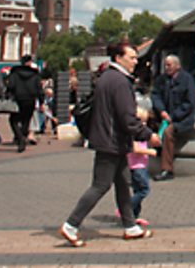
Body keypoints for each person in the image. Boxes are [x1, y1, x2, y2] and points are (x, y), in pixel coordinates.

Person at [61, 42, 158, 247]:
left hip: (110, 139)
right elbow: (127, 118)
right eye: (131, 57)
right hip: (111, 141)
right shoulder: (120, 82)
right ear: (118, 58)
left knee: (123, 183)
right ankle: (71, 224)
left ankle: (130, 226)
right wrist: (148, 135)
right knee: (100, 185)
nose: (135, 61)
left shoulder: (106, 78)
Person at [151, 55, 195, 181]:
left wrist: (173, 116)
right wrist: (161, 111)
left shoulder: (187, 79)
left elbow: (189, 103)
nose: (166, 68)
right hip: (163, 116)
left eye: (169, 65)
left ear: (178, 66)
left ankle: (167, 169)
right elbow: (155, 96)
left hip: (182, 119)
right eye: (165, 65)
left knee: (168, 132)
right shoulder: (161, 80)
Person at [121, 107, 157, 226]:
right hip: (136, 167)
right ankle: (126, 208)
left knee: (138, 190)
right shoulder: (133, 134)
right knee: (144, 190)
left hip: (140, 165)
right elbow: (136, 149)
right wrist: (149, 151)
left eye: (145, 122)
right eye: (141, 122)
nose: (144, 125)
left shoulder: (140, 134)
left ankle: (133, 216)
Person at [6, 56, 42, 152]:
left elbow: (11, 86)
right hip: (30, 99)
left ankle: (19, 137)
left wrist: (8, 95)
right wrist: (41, 102)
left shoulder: (14, 73)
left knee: (13, 120)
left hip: (18, 99)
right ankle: (22, 137)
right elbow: (39, 89)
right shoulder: (35, 74)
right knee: (26, 120)